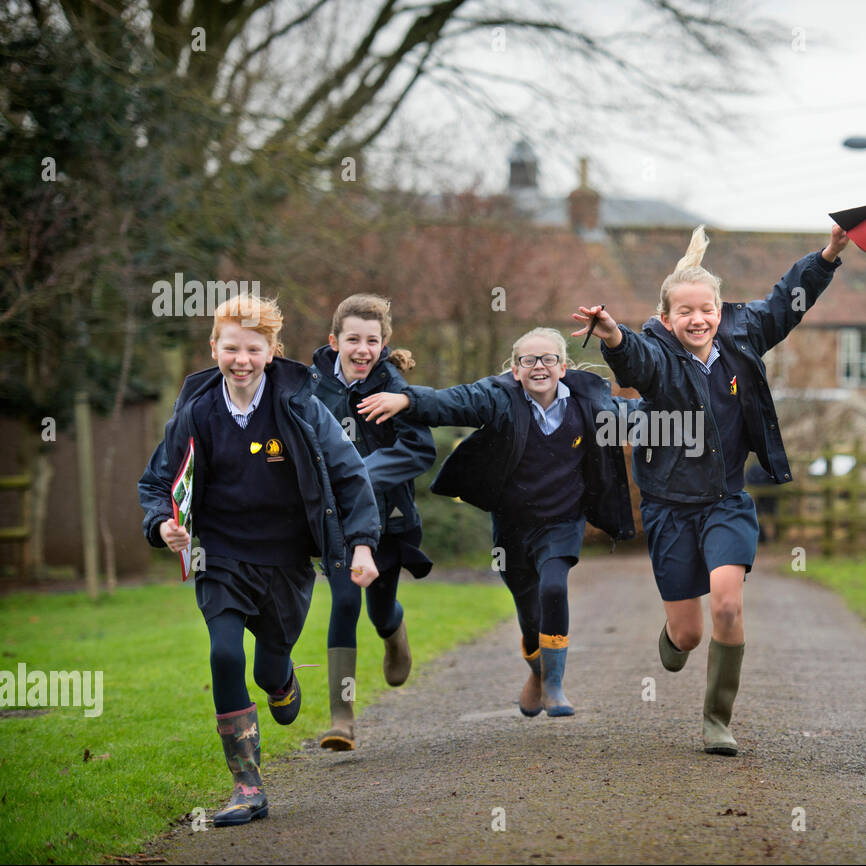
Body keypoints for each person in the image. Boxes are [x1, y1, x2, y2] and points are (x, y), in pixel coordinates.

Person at [575, 223, 851, 755]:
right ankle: (674, 635)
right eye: (685, 312)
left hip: (726, 501)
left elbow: (785, 302)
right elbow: (637, 363)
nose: (697, 319)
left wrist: (829, 254)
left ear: (720, 311)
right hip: (669, 508)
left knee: (726, 605)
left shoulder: (742, 334)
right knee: (690, 635)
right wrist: (611, 334)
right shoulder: (656, 350)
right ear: (666, 317)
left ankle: (717, 720)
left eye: (707, 310)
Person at [139, 295, 380, 826]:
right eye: (231, 348)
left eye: (253, 348)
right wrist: (163, 524)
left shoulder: (299, 406)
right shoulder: (197, 411)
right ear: (214, 349)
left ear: (271, 352)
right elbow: (157, 481)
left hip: (286, 561)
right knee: (225, 654)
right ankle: (247, 786)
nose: (241, 359)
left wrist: (361, 544)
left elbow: (350, 474)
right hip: (219, 554)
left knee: (268, 665)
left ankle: (282, 679)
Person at [357, 327, 636, 718]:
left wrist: (692, 420)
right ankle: (538, 674)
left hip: (562, 522)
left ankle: (555, 686)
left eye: (548, 359)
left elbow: (642, 419)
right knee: (529, 613)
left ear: (563, 367)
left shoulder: (590, 405)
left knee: (554, 586)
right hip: (512, 527)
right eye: (528, 361)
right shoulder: (499, 398)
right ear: (516, 370)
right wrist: (406, 397)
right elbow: (452, 402)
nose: (539, 367)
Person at [310, 293, 437, 751]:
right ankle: (341, 717)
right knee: (344, 602)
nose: (362, 349)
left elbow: (422, 449)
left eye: (372, 340)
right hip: (338, 523)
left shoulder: (394, 388)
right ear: (334, 341)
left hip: (390, 521)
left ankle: (394, 633)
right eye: (352, 340)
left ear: (384, 344)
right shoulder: (311, 389)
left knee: (379, 609)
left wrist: (361, 473)